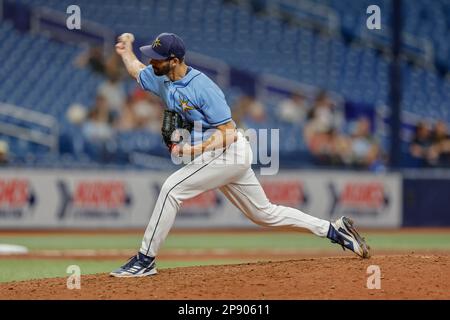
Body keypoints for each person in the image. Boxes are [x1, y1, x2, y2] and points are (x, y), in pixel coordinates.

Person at [110, 32, 370, 277]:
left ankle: (145, 260)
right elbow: (137, 70)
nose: (151, 61)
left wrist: (193, 149)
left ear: (174, 61)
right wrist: (126, 51)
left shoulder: (203, 88)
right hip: (217, 156)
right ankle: (333, 229)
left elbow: (230, 132)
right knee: (264, 214)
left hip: (228, 152)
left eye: (157, 57)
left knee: (170, 189)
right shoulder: (161, 77)